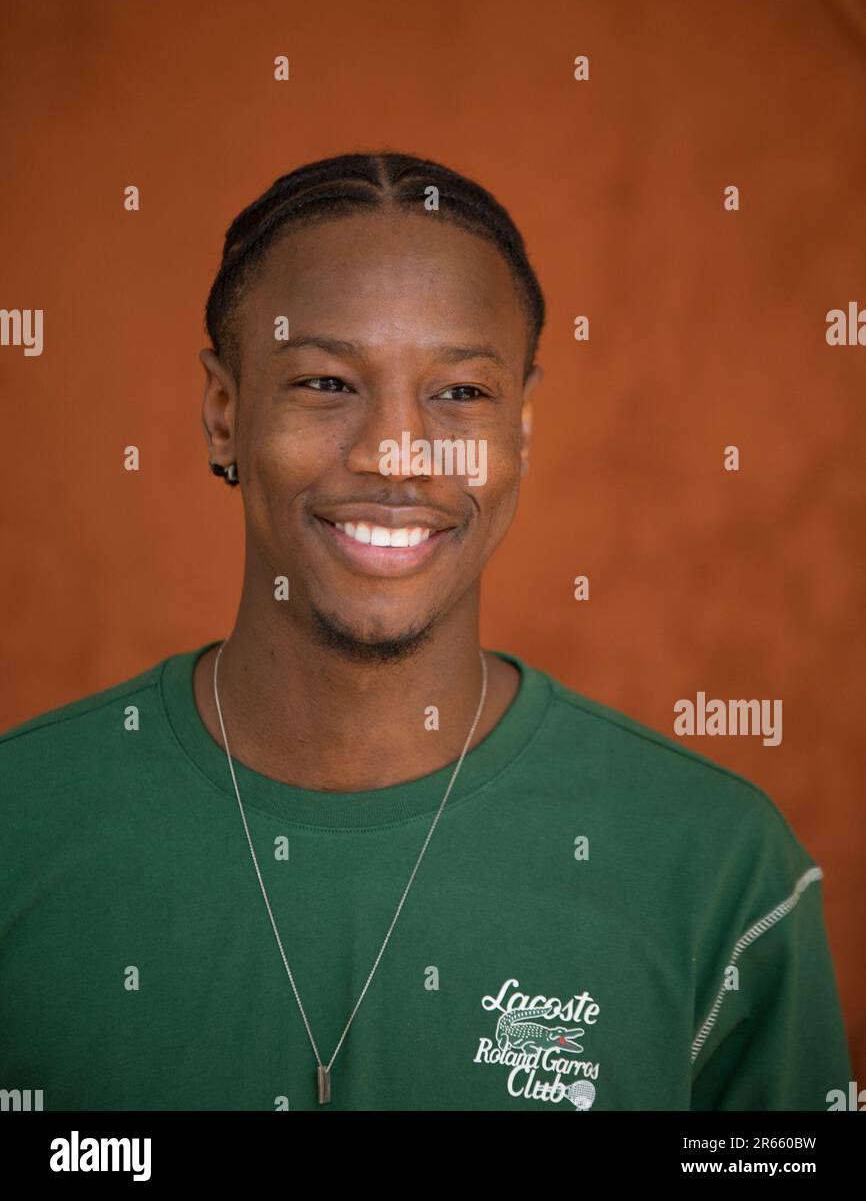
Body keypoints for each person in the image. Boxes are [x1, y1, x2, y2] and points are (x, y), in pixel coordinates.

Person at [0, 151, 852, 1112]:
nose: (396, 453)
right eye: (325, 382)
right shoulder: (18, 829)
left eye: (460, 393)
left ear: (521, 432)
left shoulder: (718, 867)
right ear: (224, 412)